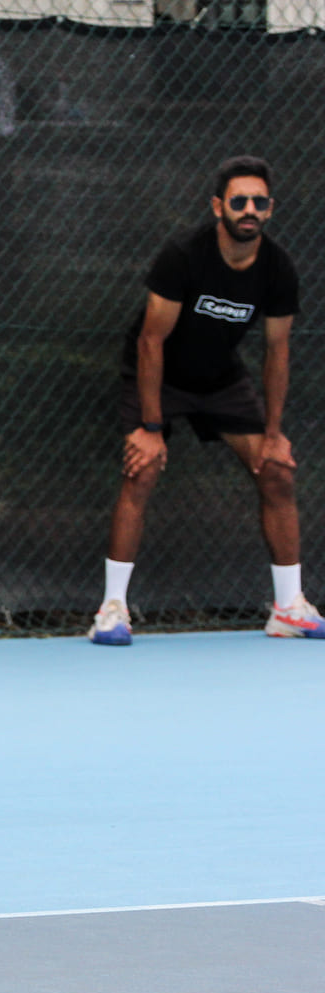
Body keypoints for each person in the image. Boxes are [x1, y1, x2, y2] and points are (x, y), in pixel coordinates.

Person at [89, 154, 322, 644]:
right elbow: (150, 342)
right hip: (157, 374)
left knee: (276, 470)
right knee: (142, 469)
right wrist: (151, 429)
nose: (249, 210)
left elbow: (277, 350)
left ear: (271, 209)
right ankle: (111, 610)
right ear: (219, 206)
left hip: (221, 380)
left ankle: (288, 608)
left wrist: (274, 435)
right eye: (239, 201)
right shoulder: (184, 255)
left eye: (259, 202)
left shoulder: (278, 268)